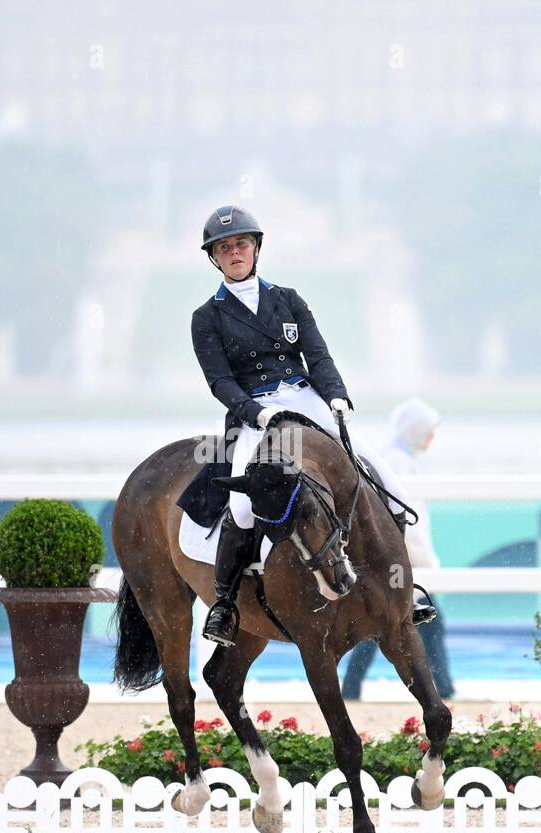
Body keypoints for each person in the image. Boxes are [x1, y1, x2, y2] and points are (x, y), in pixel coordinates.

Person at [190, 205, 427, 645]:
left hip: (307, 400)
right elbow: (219, 379)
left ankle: (402, 587)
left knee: (388, 483)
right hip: (254, 413)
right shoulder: (207, 317)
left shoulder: (289, 299)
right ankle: (224, 603)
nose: (235, 252)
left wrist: (336, 394)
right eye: (225, 248)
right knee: (242, 506)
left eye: (241, 244)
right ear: (215, 258)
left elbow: (317, 355)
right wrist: (255, 414)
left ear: (256, 248)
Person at [341, 398, 454, 700]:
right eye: (429, 430)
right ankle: (443, 688)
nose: (433, 437)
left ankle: (351, 687)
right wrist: (426, 560)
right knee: (422, 624)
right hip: (402, 559)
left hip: (397, 558)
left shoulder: (397, 457)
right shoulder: (399, 462)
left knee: (384, 624)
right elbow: (407, 519)